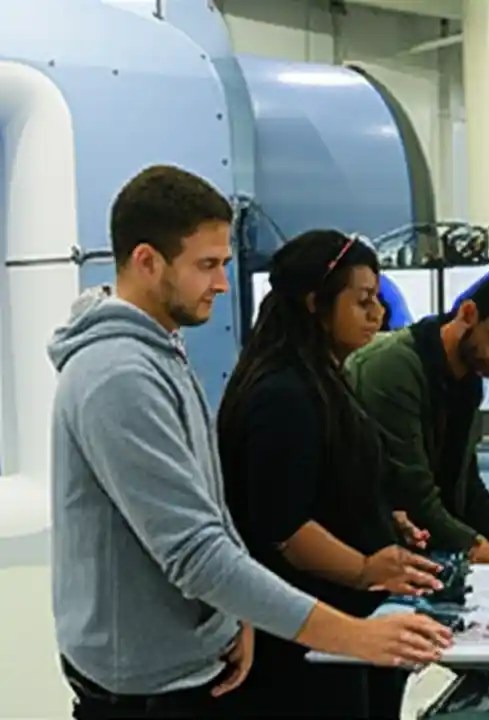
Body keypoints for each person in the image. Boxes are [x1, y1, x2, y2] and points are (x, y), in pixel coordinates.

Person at [47, 165, 451, 720]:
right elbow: (193, 551)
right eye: (206, 265)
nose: (220, 282)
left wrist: (236, 618)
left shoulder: (159, 353)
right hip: (147, 691)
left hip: (193, 667)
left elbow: (213, 509)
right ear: (147, 261)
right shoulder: (118, 374)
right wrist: (352, 636)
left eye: (223, 265)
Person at [217, 230, 444, 717]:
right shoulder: (281, 394)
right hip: (305, 640)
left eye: (378, 301)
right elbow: (285, 529)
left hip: (347, 623)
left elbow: (327, 485)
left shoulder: (322, 380)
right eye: (363, 301)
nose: (378, 314)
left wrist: (381, 520)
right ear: (315, 303)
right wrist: (365, 569)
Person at [346, 272, 489, 563]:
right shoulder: (393, 368)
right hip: (367, 555)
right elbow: (413, 496)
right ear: (468, 314)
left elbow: (465, 490)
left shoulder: (467, 379)